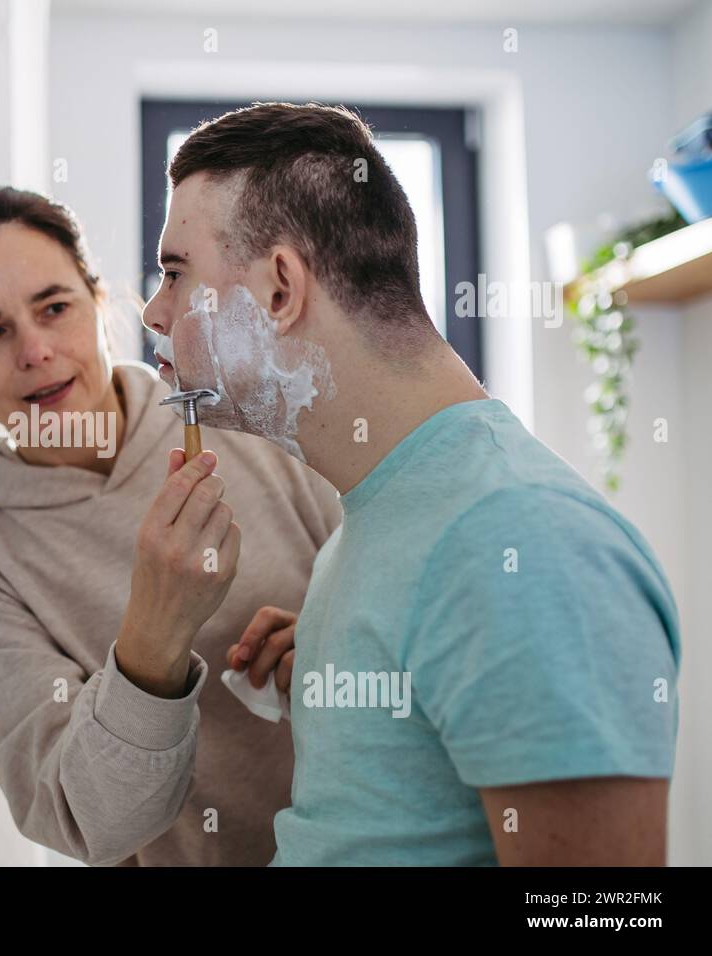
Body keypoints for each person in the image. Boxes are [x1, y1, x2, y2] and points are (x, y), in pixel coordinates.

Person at [143, 101, 681, 865]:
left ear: (280, 290)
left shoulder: (520, 544)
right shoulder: (379, 520)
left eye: (174, 273)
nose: (155, 312)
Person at [0, 186, 341, 865]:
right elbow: (91, 823)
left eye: (54, 308)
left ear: (100, 302)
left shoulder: (247, 415)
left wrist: (333, 643)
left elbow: (419, 617)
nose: (35, 351)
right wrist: (155, 631)